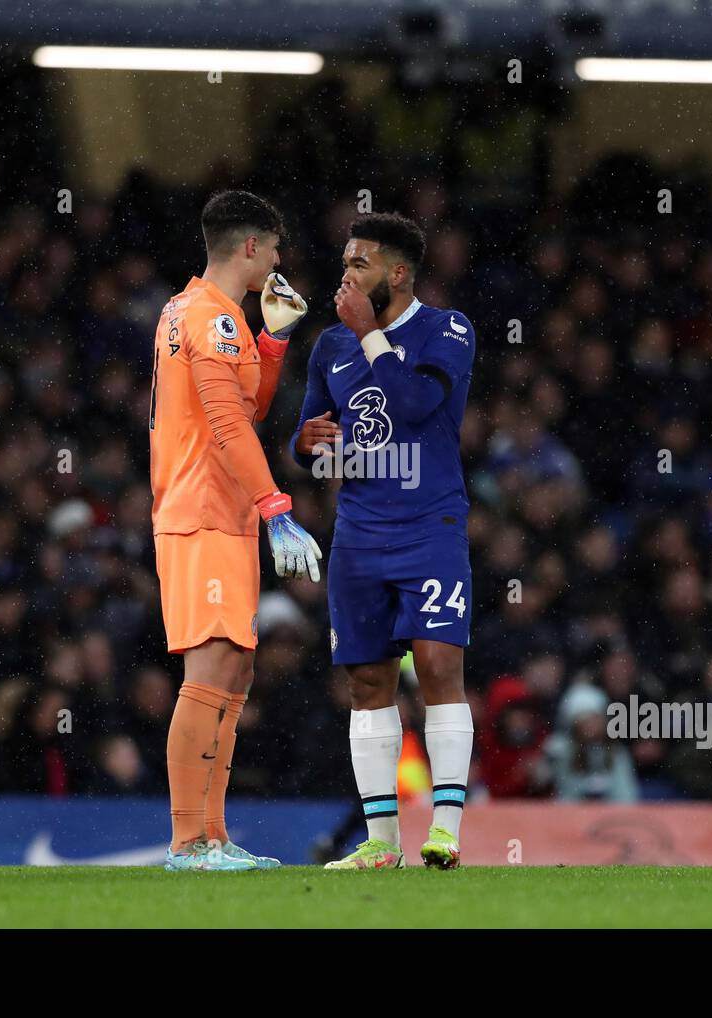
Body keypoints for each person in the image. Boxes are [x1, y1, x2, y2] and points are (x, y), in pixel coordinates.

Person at [290, 212, 476, 869]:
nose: (346, 276)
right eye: (344, 263)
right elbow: (307, 436)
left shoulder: (447, 330)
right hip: (359, 534)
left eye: (359, 265)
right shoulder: (329, 346)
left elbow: (414, 405)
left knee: (437, 668)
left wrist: (369, 335)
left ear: (397, 274)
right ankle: (380, 844)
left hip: (431, 527)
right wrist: (309, 445)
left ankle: (446, 830)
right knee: (368, 683)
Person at [150, 190, 322, 872]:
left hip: (219, 512)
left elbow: (245, 406)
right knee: (213, 665)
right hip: (204, 512)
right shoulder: (211, 321)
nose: (279, 261)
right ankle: (188, 842)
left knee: (236, 667)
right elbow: (228, 426)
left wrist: (273, 339)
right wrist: (277, 505)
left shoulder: (196, 311)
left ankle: (212, 838)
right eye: (275, 248)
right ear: (250, 246)